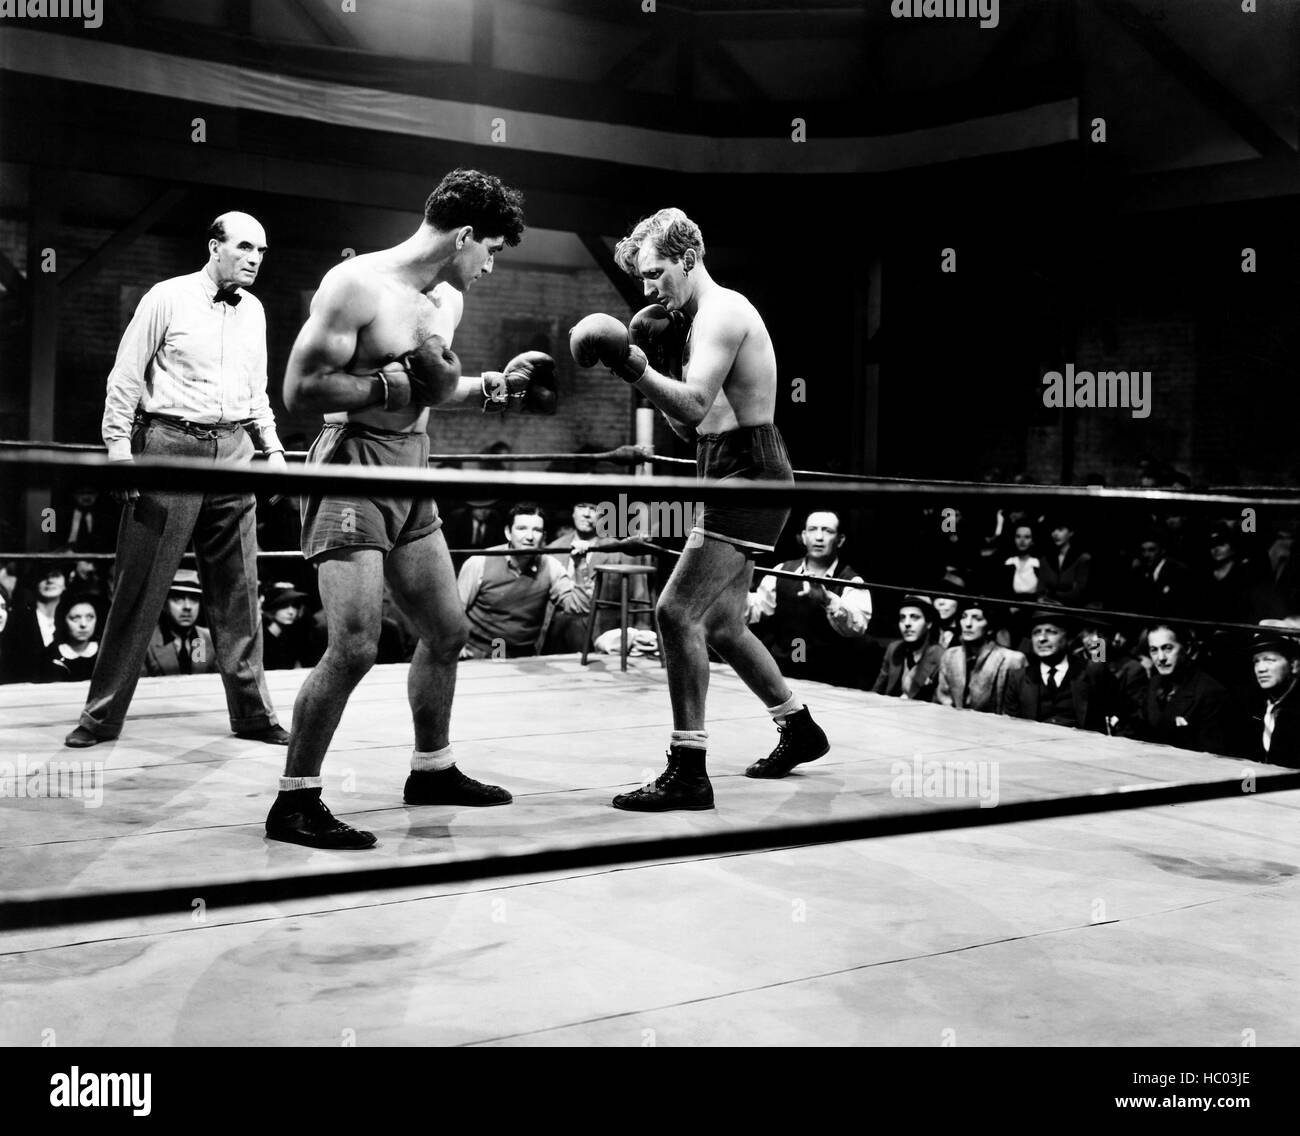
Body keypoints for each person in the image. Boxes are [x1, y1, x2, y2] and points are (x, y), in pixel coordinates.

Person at [274, 168, 552, 849]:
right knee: (355, 645)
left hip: (412, 466)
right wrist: (386, 387)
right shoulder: (356, 285)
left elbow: (431, 386)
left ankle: (432, 769)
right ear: (464, 235)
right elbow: (300, 389)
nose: (489, 267)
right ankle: (295, 802)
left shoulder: (446, 300)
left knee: (447, 630)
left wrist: (489, 387)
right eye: (490, 251)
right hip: (352, 464)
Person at [570, 207, 829, 809]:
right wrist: (654, 365)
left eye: (654, 273)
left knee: (675, 611)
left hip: (750, 471)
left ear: (688, 259)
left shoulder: (724, 312)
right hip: (722, 464)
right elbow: (691, 427)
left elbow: (690, 407)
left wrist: (630, 363)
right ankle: (799, 727)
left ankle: (688, 770)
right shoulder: (694, 325)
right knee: (723, 624)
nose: (648, 290)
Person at [64, 212, 289, 749]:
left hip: (234, 449)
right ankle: (100, 717)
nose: (255, 258)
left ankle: (254, 716)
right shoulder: (166, 297)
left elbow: (256, 390)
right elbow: (125, 375)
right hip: (168, 445)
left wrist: (273, 449)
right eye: (244, 247)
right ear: (214, 247)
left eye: (261, 250)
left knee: (240, 589)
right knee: (139, 588)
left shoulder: (254, 310)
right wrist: (119, 450)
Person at [746, 509, 873, 688]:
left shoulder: (852, 581)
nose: (819, 537)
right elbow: (756, 609)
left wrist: (827, 600)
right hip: (783, 676)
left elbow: (858, 627)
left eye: (827, 531)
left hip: (829, 680)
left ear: (840, 540)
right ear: (804, 537)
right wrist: (734, 591)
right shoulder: (781, 570)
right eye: (813, 529)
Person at [458, 504, 585, 659]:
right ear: (508, 533)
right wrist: (456, 644)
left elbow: (578, 608)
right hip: (477, 652)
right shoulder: (480, 562)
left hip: (522, 656)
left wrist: (580, 565)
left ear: (544, 536)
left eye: (536, 530)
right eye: (522, 528)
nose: (529, 536)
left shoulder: (551, 566)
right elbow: (456, 610)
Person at [544, 500, 654, 653]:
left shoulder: (619, 551)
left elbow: (639, 596)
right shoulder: (554, 549)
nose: (586, 514)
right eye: (581, 507)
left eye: (593, 509)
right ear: (573, 512)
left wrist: (643, 636)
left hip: (603, 636)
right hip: (559, 635)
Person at [1002, 608, 1116, 732]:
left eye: (1051, 632)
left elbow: (1117, 714)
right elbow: (1011, 727)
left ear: (1068, 637)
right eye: (1036, 632)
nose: (1042, 638)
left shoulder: (1092, 671)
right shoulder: (1019, 678)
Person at [1140, 624, 1230, 755]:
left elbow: (1212, 755)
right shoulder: (1153, 684)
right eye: (1154, 650)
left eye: (1168, 648)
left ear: (1187, 648)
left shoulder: (1210, 691)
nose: (1161, 658)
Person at [935, 601, 1025, 713]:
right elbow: (943, 700)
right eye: (964, 617)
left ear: (990, 627)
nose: (968, 624)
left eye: (977, 619)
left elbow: (1014, 709)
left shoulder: (1011, 660)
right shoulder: (950, 656)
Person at [143, 569, 218, 677]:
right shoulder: (146, 643)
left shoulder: (210, 639)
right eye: (178, 599)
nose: (187, 607)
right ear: (164, 605)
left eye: (193, 599)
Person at [1243, 629, 1300, 767]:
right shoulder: (1253, 703)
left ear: (1294, 665)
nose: (1261, 669)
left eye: (1269, 660)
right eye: (1256, 661)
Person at [873, 595, 945, 702]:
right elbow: (877, 690)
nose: (907, 624)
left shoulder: (940, 655)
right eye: (902, 618)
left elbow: (939, 702)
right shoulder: (894, 649)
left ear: (928, 623)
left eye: (914, 617)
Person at [40, 592, 105, 683]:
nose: (83, 624)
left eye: (90, 617)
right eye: (75, 618)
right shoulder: (49, 656)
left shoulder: (106, 653)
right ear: (63, 620)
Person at [260, 581, 312, 670]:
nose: (291, 612)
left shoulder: (294, 638)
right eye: (284, 606)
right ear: (273, 608)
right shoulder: (262, 640)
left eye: (295, 605)